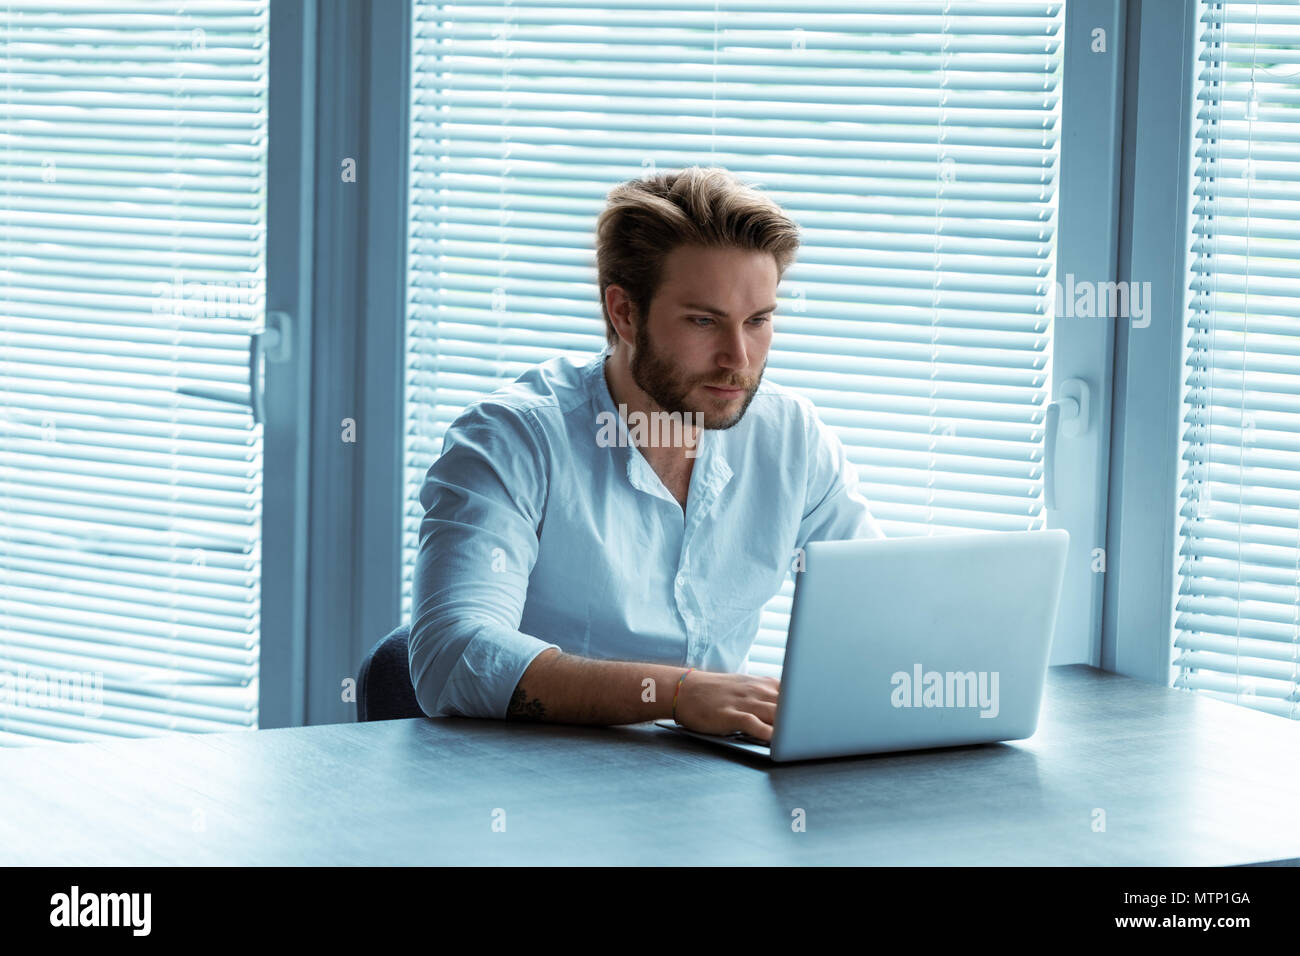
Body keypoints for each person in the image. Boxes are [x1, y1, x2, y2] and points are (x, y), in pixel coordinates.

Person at [409, 165, 883, 742]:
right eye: (704, 321)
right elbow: (454, 657)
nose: (738, 357)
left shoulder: (791, 438)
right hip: (534, 785)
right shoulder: (513, 439)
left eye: (758, 321)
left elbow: (876, 608)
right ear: (624, 312)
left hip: (707, 781)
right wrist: (677, 692)